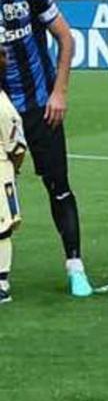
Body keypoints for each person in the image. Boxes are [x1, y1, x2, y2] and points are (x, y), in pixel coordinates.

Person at [0, 0, 90, 296]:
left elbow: (65, 38)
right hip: (1, 113)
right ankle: (1, 274)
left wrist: (60, 92)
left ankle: (75, 266)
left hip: (41, 106)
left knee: (58, 185)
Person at [0, 73, 24, 304]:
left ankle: (1, 284)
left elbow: (17, 149)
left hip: (0, 175)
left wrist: (13, 172)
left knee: (2, 229)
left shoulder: (5, 108)